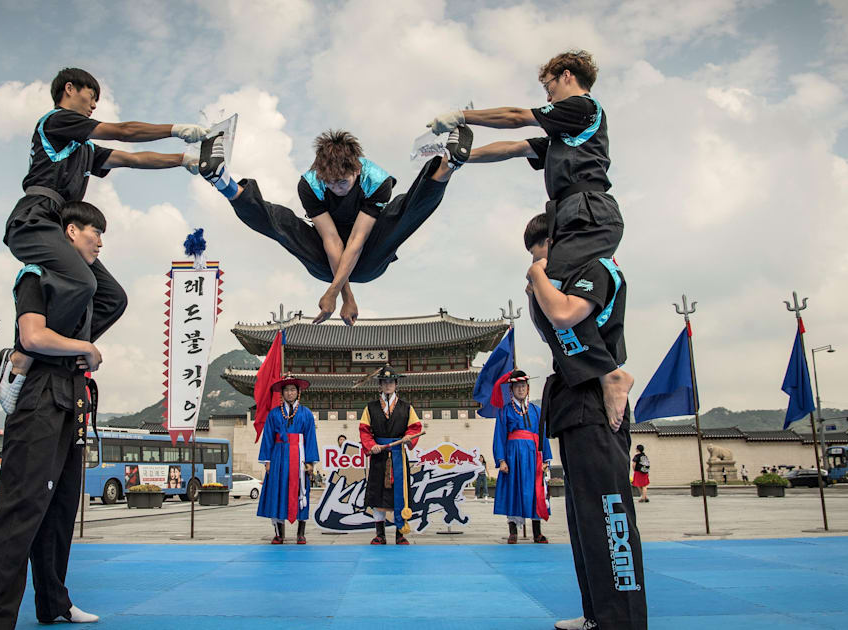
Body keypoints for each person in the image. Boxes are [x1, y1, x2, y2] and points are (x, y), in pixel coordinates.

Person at [426, 50, 633, 434]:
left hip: (589, 212)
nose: (548, 96)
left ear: (566, 76)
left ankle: (610, 372)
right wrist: (460, 159)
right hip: (570, 217)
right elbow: (513, 147)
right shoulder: (563, 137)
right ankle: (603, 370)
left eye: (548, 86)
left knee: (554, 298)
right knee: (542, 297)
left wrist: (462, 116)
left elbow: (516, 118)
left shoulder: (583, 107)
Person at [0, 67, 208, 413]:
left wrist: (184, 161)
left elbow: (132, 159)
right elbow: (124, 132)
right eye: (91, 95)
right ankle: (21, 355)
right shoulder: (57, 122)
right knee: (81, 281)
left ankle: (60, 349)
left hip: (61, 225)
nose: (95, 103)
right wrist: (176, 130)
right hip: (35, 220)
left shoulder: (84, 148)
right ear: (69, 89)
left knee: (112, 297)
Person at [0, 201, 110, 629]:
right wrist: (85, 348)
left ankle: (54, 602)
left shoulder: (80, 291)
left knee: (61, 508)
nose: (101, 242)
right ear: (69, 231)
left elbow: (114, 299)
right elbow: (32, 335)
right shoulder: (35, 275)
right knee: (22, 509)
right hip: (38, 397)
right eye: (94, 233)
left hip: (70, 397)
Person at [197, 128, 473, 325]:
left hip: (367, 256)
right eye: (329, 182)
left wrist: (333, 293)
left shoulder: (377, 181)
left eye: (342, 182)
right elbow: (331, 239)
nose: (335, 188)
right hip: (325, 260)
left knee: (402, 213)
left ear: (356, 170)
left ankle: (449, 163)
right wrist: (343, 296)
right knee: (282, 224)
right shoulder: (310, 184)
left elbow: (356, 241)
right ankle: (223, 181)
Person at [523, 212, 647, 629]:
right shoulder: (559, 279)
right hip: (572, 398)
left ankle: (622, 622)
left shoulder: (597, 267)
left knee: (609, 516)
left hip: (596, 399)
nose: (542, 264)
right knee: (584, 520)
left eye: (542, 253)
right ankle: (597, 614)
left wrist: (538, 276)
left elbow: (565, 315)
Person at [358, 365, 423, 545]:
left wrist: (409, 438)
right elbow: (364, 430)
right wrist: (372, 446)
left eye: (391, 382)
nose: (388, 385)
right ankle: (380, 534)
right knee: (377, 495)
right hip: (379, 455)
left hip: (398, 456)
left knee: (399, 494)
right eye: (384, 382)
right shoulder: (370, 408)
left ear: (396, 384)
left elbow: (415, 428)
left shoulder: (406, 408)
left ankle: (399, 534)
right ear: (379, 385)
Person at [256, 376, 320, 544]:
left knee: (301, 491)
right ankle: (279, 533)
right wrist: (267, 461)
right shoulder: (274, 414)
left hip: (299, 456)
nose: (290, 393)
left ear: (298, 393)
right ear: (282, 393)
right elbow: (268, 437)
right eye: (286, 390)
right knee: (277, 492)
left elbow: (310, 438)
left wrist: (310, 462)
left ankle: (301, 532)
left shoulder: (306, 413)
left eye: (293, 390)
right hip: (279, 456)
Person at [492, 370, 553, 543]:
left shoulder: (536, 410)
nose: (521, 389)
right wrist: (502, 460)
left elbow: (543, 435)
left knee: (535, 492)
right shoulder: (505, 411)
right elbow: (499, 436)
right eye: (517, 386)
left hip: (534, 456)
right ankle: (513, 531)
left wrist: (546, 459)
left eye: (523, 386)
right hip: (513, 456)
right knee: (514, 491)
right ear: (511, 389)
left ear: (528, 388)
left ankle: (537, 532)